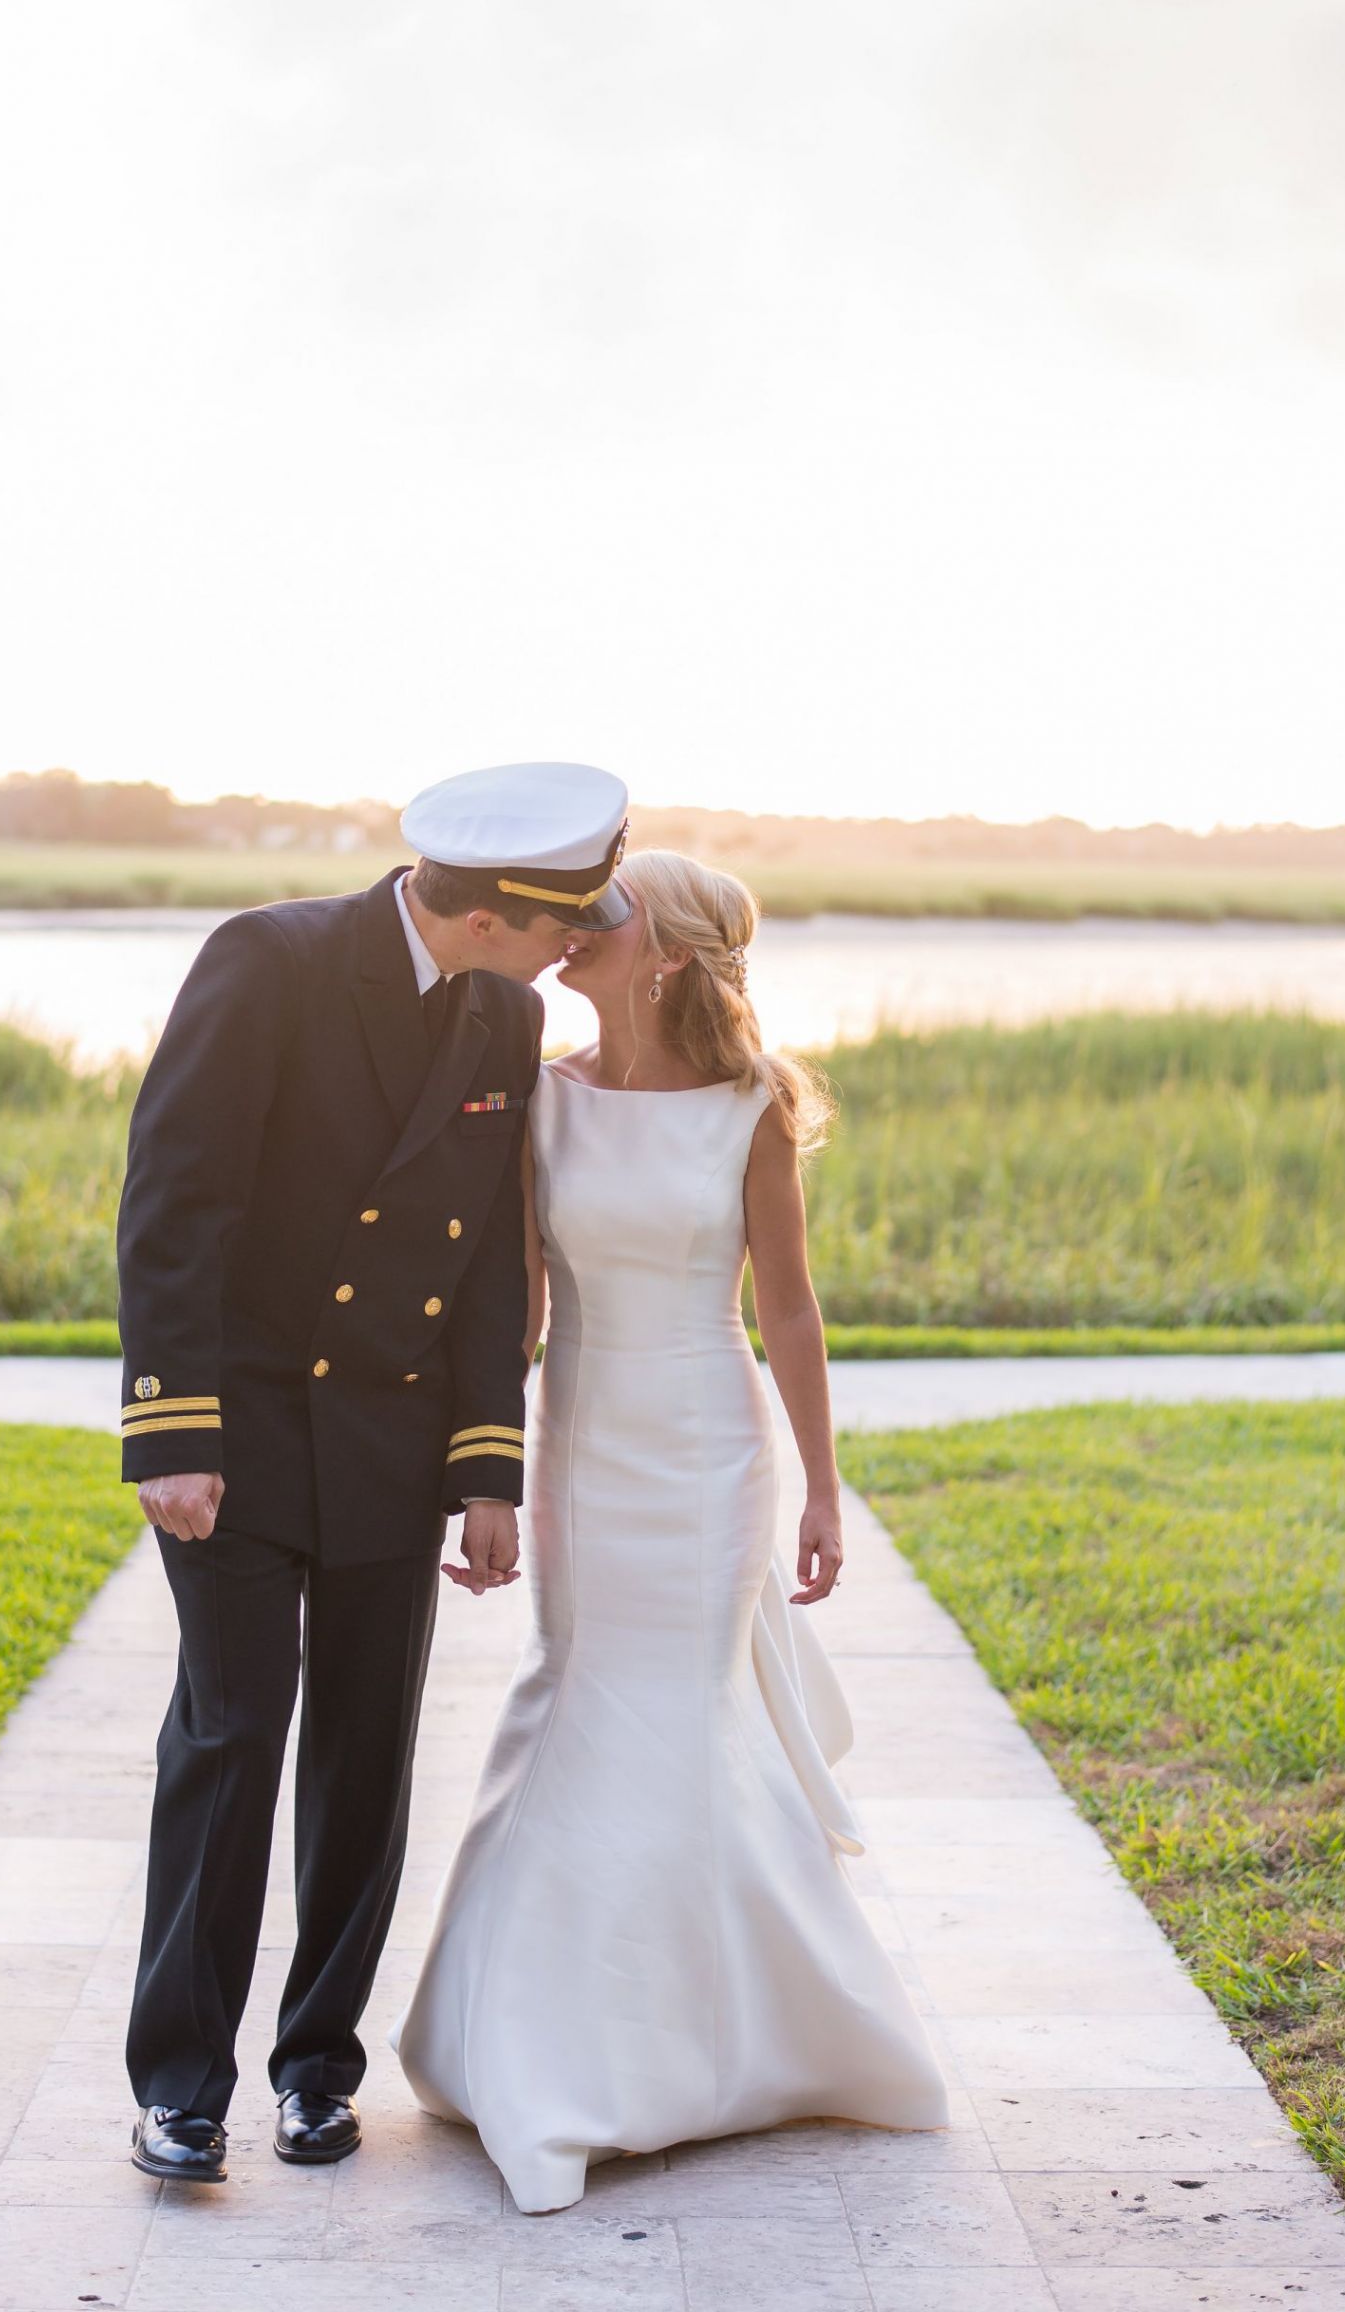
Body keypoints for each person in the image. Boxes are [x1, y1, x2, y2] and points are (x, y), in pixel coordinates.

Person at [393, 848, 947, 2212]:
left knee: (671, 1713)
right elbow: (513, 1305)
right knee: (577, 1696)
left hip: (706, 1444)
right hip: (586, 1437)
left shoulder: (751, 1104)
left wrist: (822, 1488)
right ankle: (548, 2043)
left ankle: (680, 2047)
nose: (576, 926)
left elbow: (792, 1311)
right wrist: (482, 1470)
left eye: (607, 911)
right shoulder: (541, 1092)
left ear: (670, 953)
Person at [118, 761, 633, 2184]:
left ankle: (315, 2071)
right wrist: (170, 1428)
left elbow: (479, 1258)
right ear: (494, 911)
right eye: (564, 924)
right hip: (237, 1433)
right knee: (228, 1742)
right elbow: (173, 1200)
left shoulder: (507, 1013)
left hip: (390, 1444)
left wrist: (486, 1468)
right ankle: (178, 2086)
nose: (576, 949)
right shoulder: (270, 960)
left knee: (365, 1756)